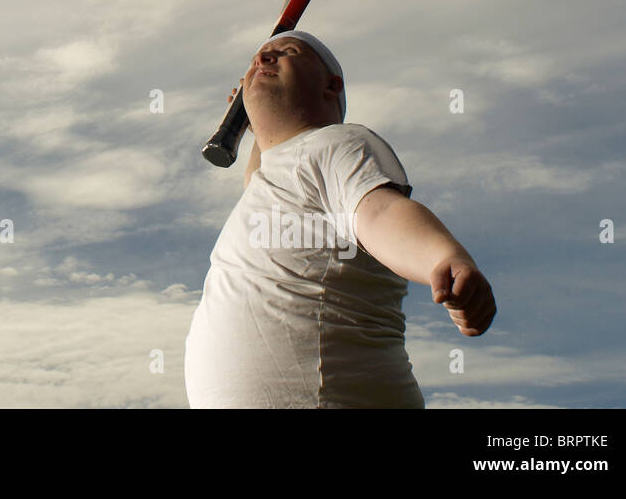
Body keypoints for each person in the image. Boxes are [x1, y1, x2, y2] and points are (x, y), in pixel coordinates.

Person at [184, 31, 496, 408]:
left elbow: (379, 212)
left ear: (331, 86)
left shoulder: (336, 144)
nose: (263, 60)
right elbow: (260, 175)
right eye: (256, 60)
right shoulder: (272, 183)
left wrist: (442, 258)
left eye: (286, 53)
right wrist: (251, 123)